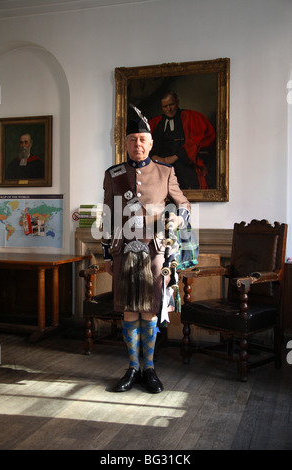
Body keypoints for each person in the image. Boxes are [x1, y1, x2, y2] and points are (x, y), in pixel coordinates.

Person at [101, 106, 191, 394]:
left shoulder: (165, 172)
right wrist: (106, 256)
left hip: (155, 253)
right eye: (132, 140)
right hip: (123, 251)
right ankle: (131, 368)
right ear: (125, 143)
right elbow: (108, 214)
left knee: (150, 312)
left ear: (150, 143)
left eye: (142, 140)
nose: (137, 145)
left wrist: (178, 218)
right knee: (129, 311)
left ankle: (149, 368)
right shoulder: (113, 174)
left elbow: (184, 204)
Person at [149, 90, 215, 189]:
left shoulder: (191, 117)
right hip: (160, 165)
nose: (169, 109)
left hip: (185, 162)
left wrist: (176, 157)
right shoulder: (155, 123)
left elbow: (199, 141)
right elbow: (144, 146)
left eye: (171, 105)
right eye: (165, 106)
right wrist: (156, 158)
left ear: (177, 102)